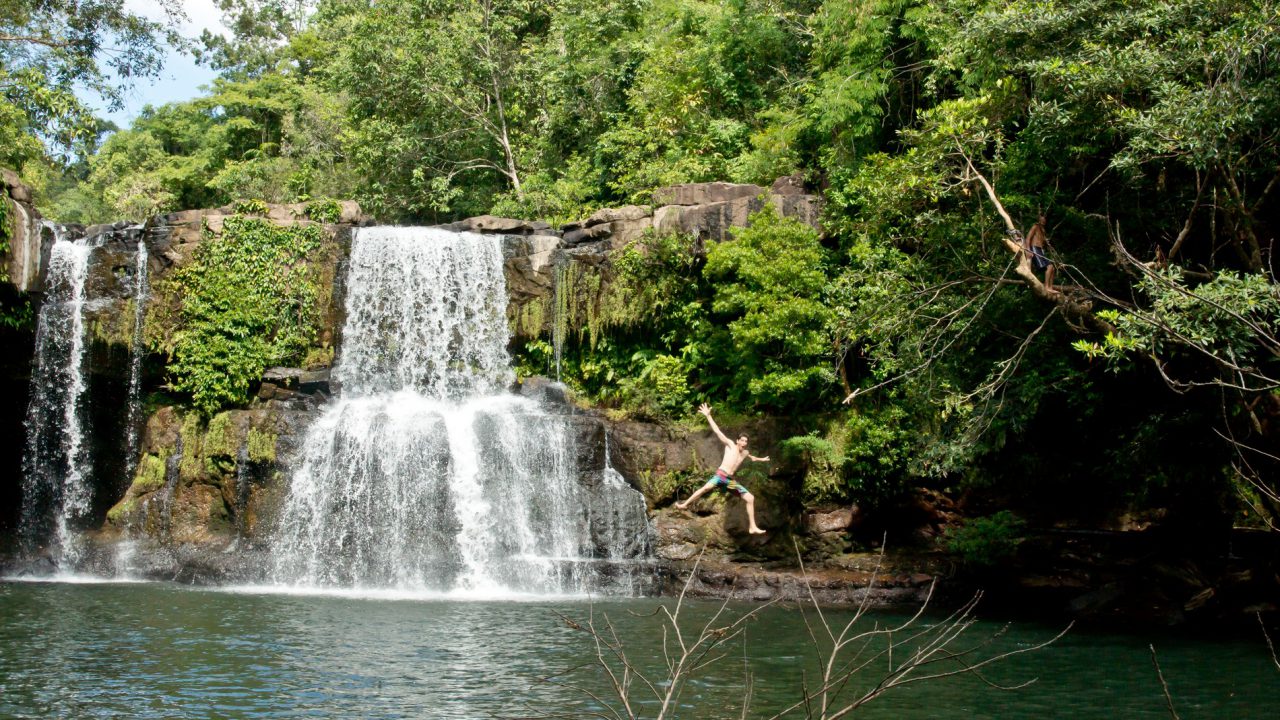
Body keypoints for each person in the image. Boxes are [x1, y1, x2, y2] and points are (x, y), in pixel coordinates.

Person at [675, 403, 769, 535]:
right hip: (720, 476)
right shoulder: (730, 445)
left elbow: (752, 458)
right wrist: (708, 416)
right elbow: (718, 431)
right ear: (737, 441)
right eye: (741, 440)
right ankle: (685, 504)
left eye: (745, 441)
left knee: (750, 498)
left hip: (729, 480)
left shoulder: (745, 453)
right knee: (705, 488)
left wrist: (762, 460)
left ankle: (752, 526)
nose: (743, 443)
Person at [1023, 214, 1056, 292]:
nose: (1043, 221)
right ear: (1039, 220)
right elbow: (1028, 238)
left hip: (1040, 250)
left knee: (1052, 268)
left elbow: (1043, 241)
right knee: (1049, 267)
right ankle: (1047, 287)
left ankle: (1050, 287)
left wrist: (1046, 242)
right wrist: (1028, 250)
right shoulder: (1035, 227)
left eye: (1044, 220)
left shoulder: (1043, 230)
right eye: (1042, 219)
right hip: (1034, 248)